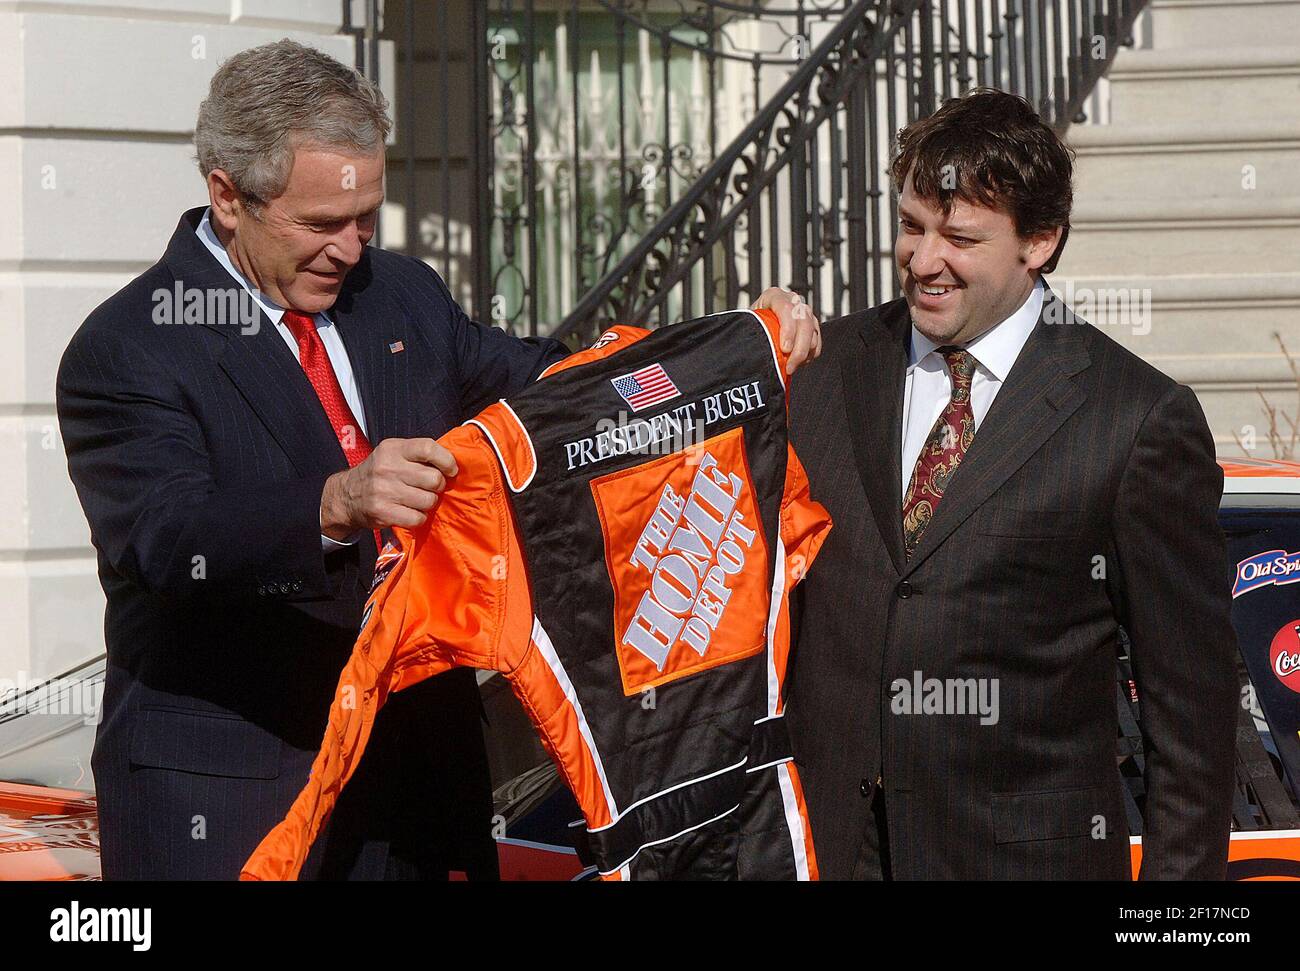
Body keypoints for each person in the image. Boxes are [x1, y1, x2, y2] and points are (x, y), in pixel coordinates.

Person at [55, 38, 819, 880]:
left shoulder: (402, 292)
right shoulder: (128, 346)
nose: (350, 249)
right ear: (228, 197)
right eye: (320, 224)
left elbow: (554, 391)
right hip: (238, 798)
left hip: (421, 792)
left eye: (366, 218)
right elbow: (166, 537)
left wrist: (731, 350)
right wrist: (335, 502)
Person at [786, 88, 1239, 880]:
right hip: (827, 854)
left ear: (1040, 241)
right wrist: (743, 349)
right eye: (911, 226)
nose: (924, 261)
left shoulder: (1134, 419)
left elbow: (1192, 726)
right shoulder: (822, 372)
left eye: (959, 237)